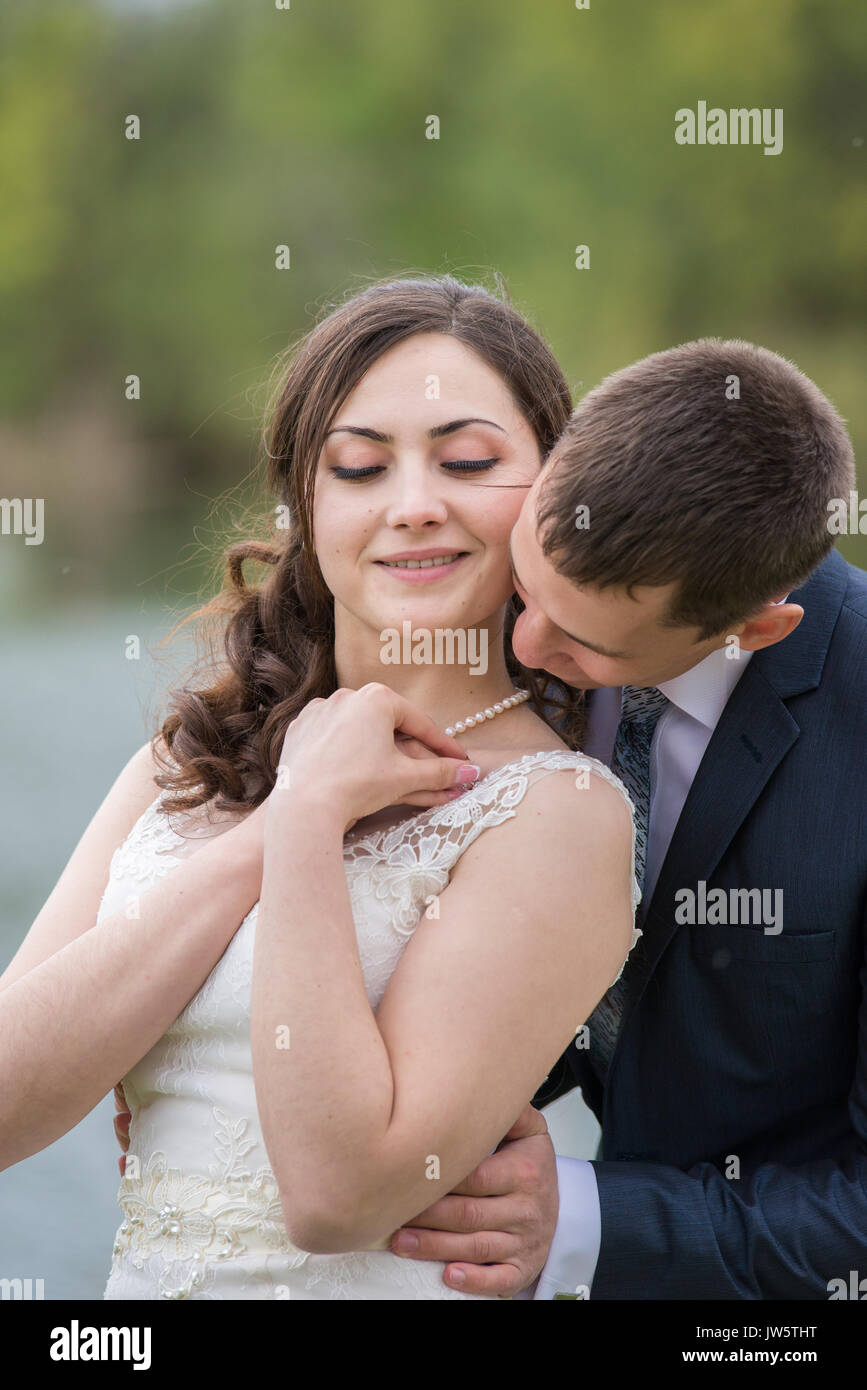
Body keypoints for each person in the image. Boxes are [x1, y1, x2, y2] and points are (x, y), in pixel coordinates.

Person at [0, 275, 639, 1299]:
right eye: (359, 466)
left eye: (468, 460)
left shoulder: (557, 811)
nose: (414, 503)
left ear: (550, 491)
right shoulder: (187, 762)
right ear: (304, 500)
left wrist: (304, 825)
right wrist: (286, 813)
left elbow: (340, 1195)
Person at [385, 338, 867, 1299]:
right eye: (527, 585)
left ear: (757, 628)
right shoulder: (489, 588)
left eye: (583, 642)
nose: (522, 642)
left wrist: (582, 1219)